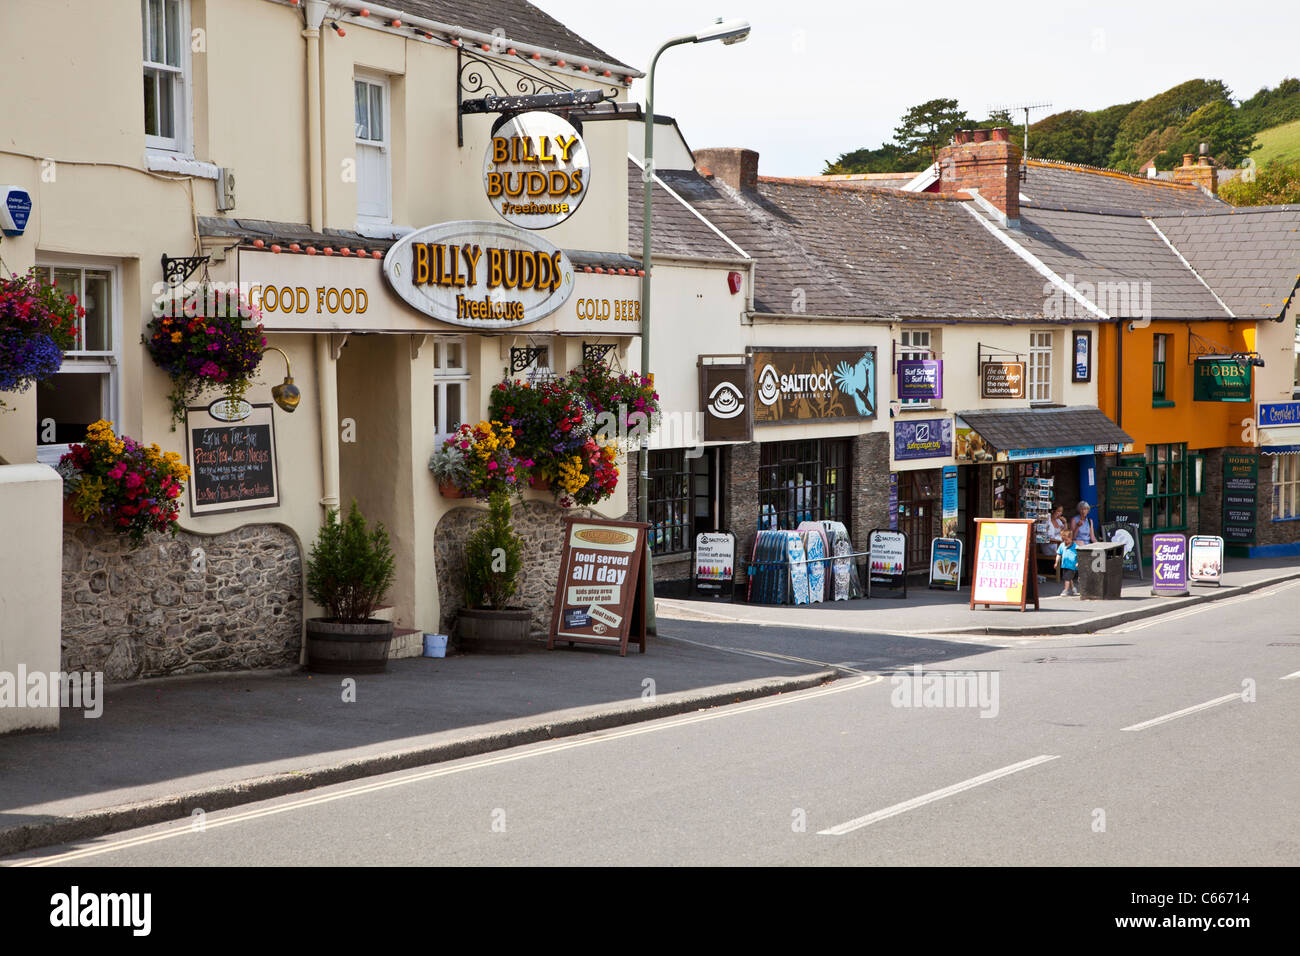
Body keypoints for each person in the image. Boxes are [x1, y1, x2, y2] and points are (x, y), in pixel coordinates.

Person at [1056, 528, 1079, 596]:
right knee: (1069, 578)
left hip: (1072, 566)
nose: (1065, 541)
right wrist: (1056, 562)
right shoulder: (1062, 545)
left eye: (1066, 540)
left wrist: (1078, 562)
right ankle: (1074, 589)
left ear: (1071, 538)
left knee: (1067, 578)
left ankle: (1065, 590)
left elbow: (1079, 555)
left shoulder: (1075, 546)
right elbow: (1059, 554)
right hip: (1064, 565)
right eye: (1063, 540)